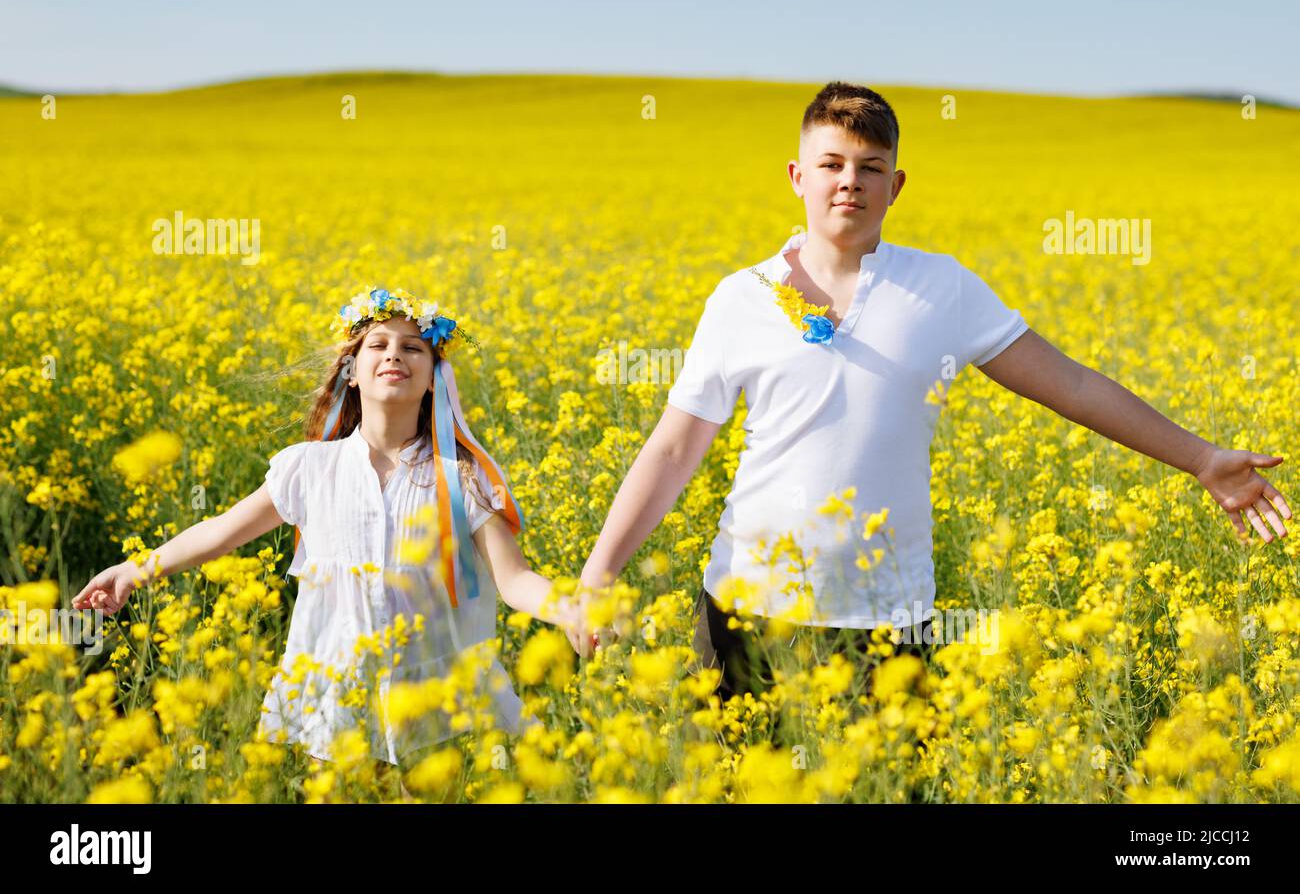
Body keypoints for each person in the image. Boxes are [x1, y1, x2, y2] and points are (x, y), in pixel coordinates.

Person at [574, 81, 1292, 700]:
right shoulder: (741, 297)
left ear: (896, 184)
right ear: (797, 176)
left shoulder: (941, 288)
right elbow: (672, 449)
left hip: (889, 625)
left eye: (869, 166)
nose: (849, 181)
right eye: (831, 164)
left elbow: (1069, 383)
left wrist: (1199, 457)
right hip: (743, 616)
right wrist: (601, 570)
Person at [73, 286, 583, 776]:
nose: (394, 355)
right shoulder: (309, 468)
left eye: (412, 348)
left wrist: (574, 610)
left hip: (432, 690)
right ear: (353, 372)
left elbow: (514, 580)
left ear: (434, 380)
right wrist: (135, 570)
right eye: (377, 345)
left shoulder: (461, 477)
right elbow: (223, 532)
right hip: (333, 689)